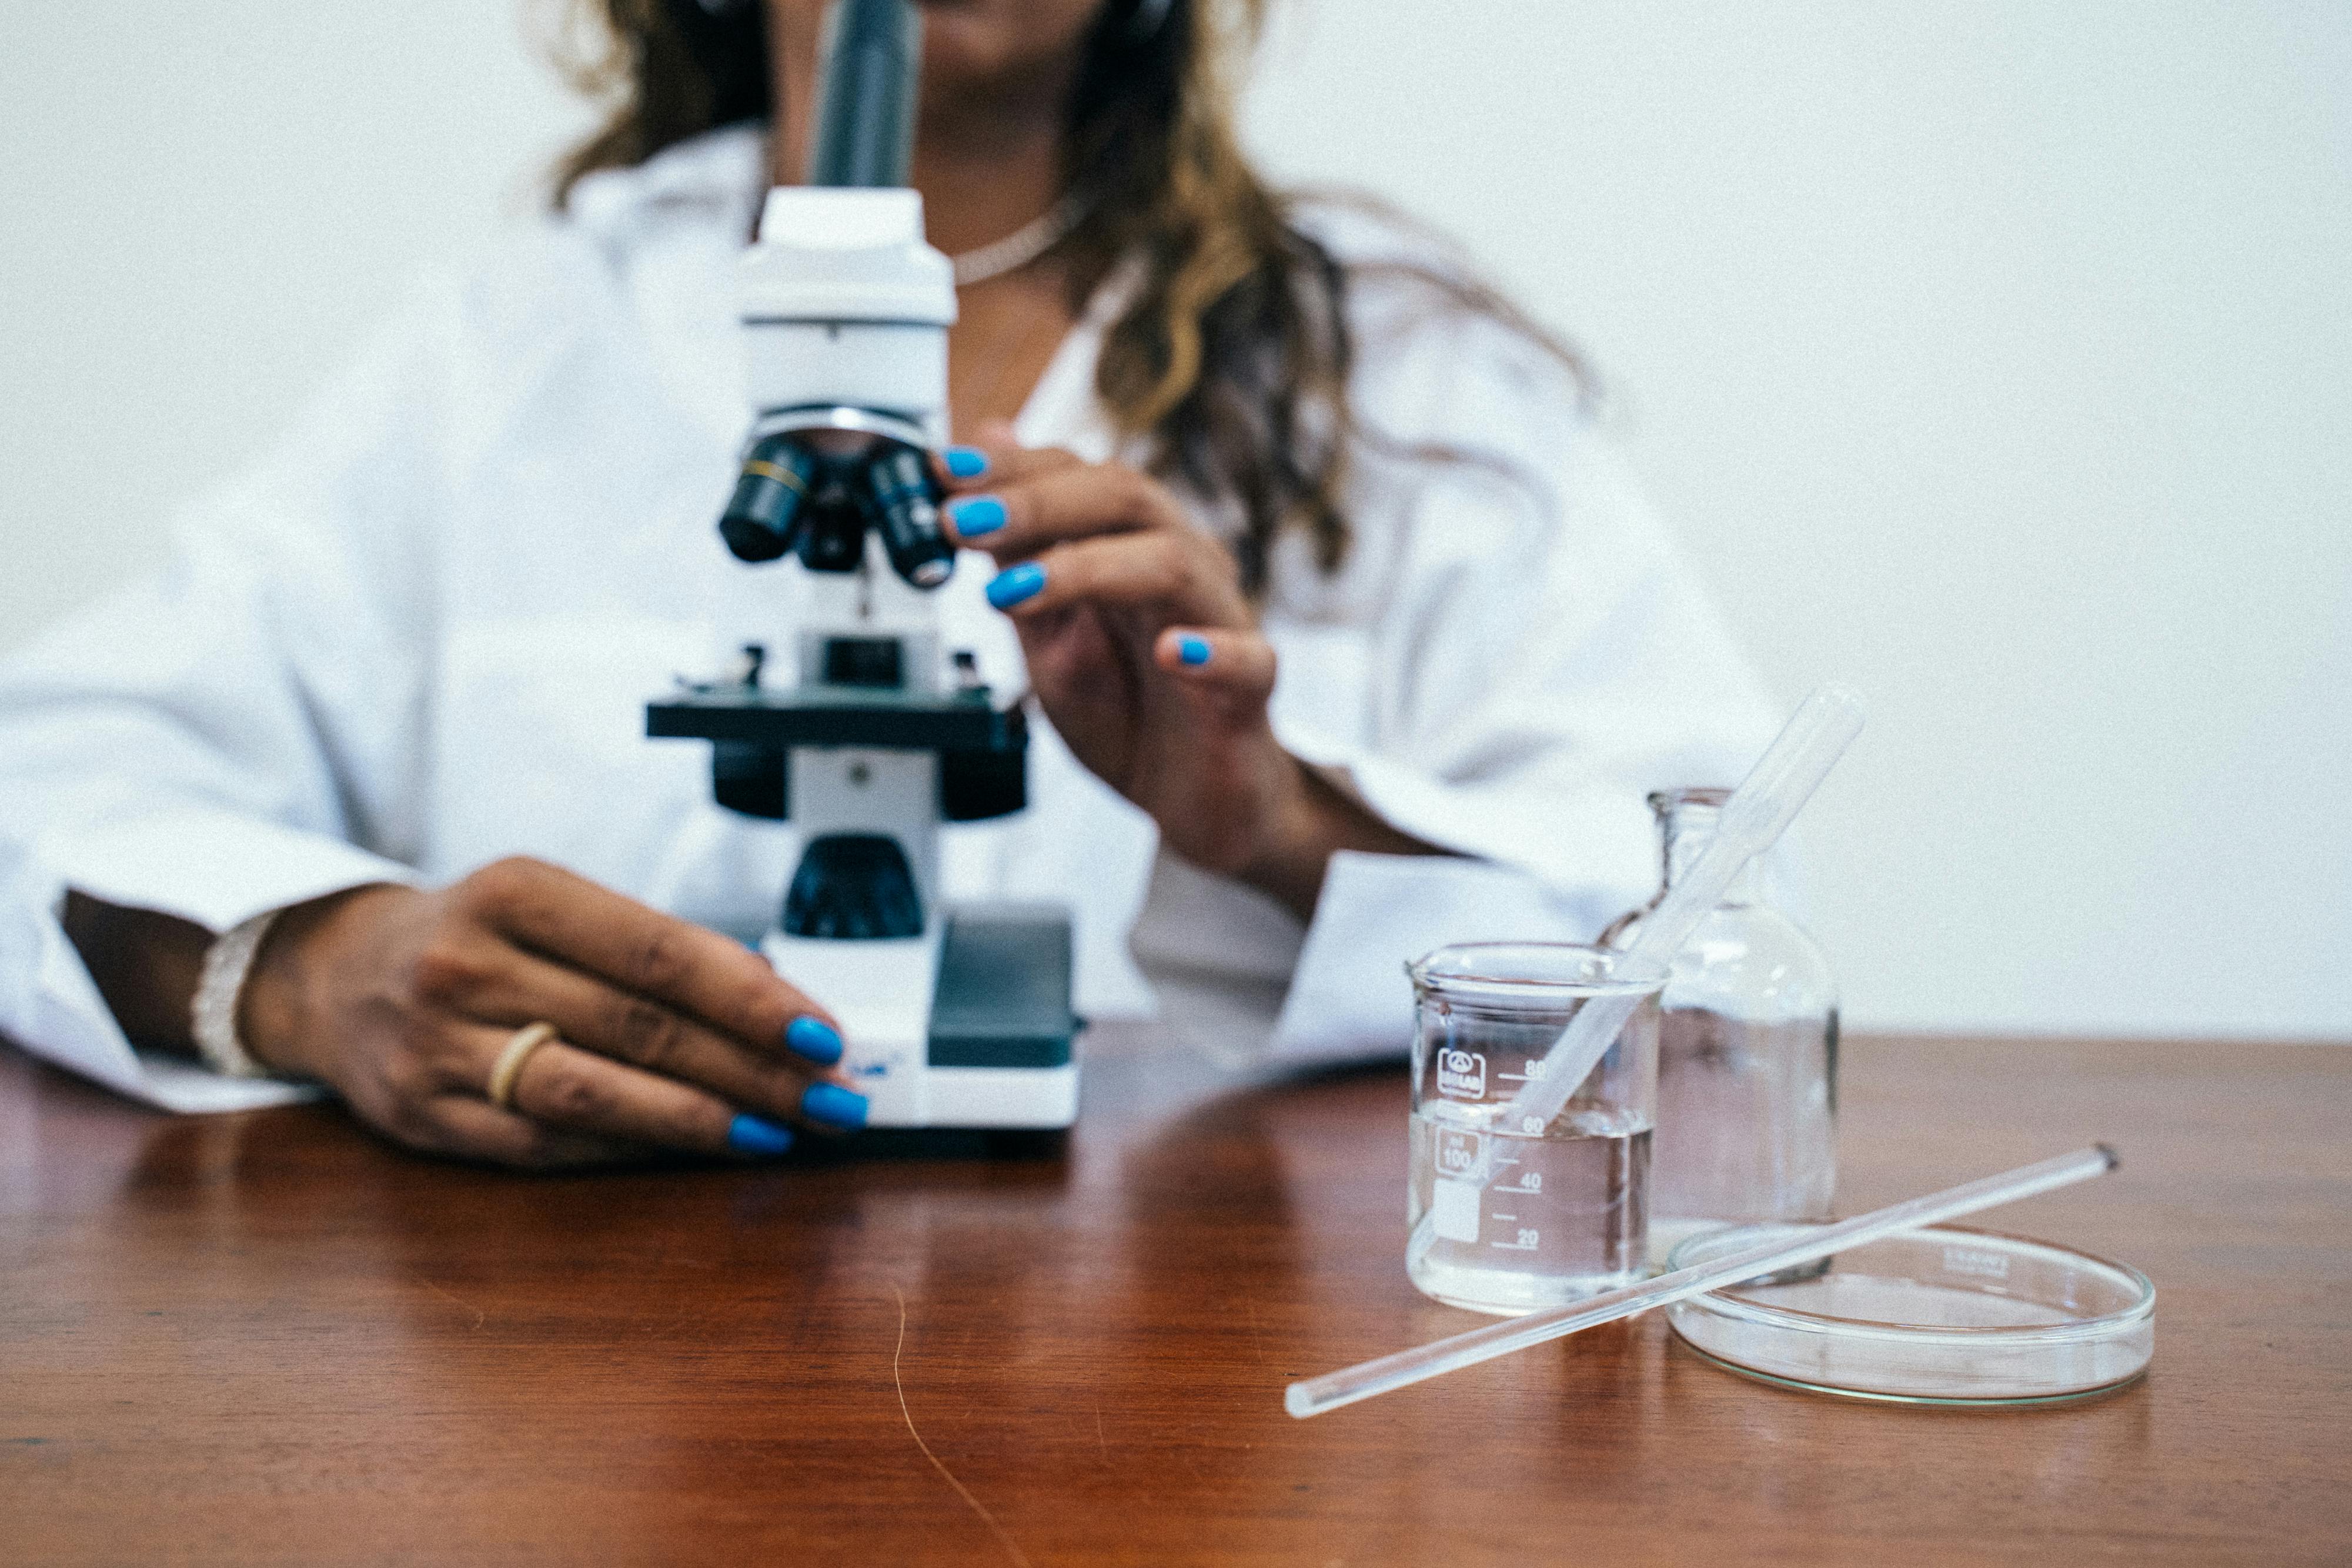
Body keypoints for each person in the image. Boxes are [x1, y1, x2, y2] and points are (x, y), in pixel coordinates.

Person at [0, 0, 1772, 1164]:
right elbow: (50, 782)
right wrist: (317, 964)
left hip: (1192, 1356)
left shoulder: (1392, 374)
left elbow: (1724, 944)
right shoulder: (509, 345)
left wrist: (1283, 825)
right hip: (585, 1355)